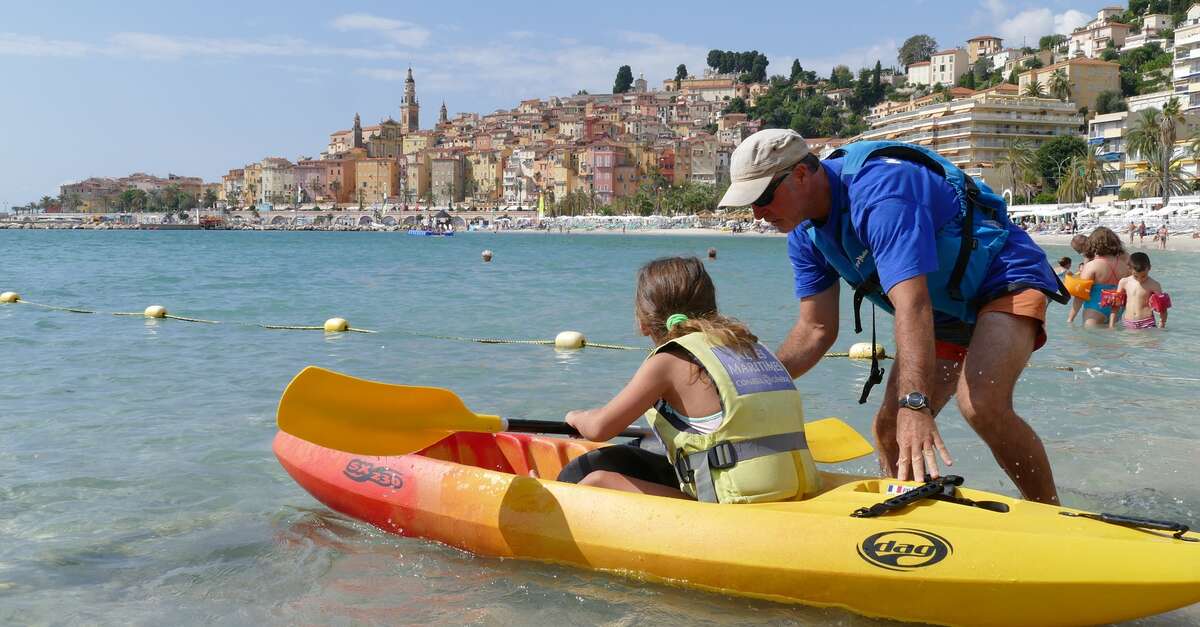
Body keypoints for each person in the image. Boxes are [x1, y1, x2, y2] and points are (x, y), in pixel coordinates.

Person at [718, 129, 1066, 504]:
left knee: (980, 404)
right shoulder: (805, 236)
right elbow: (815, 329)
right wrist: (749, 385)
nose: (756, 213)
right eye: (748, 204)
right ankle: (912, 514)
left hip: (1004, 277)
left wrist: (916, 404)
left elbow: (912, 304)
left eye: (762, 198)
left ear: (801, 174)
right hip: (944, 311)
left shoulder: (881, 193)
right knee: (888, 429)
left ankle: (1051, 514)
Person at [561, 256, 820, 503]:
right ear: (713, 309)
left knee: (592, 478)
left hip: (734, 502)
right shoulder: (750, 346)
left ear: (642, 323)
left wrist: (576, 416)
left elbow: (599, 429)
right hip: (795, 488)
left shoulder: (667, 361)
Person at [1068, 227, 1129, 328]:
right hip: (1117, 310)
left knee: (1092, 340)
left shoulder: (1092, 266)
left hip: (1095, 309)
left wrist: (1070, 319)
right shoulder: (1124, 266)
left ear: (1093, 244)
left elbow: (1080, 295)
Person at [1114, 252, 1169, 329]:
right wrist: (1111, 323)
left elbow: (1162, 307)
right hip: (1128, 322)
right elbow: (1116, 305)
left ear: (1149, 268)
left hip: (1147, 322)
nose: (1140, 279)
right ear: (1129, 268)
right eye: (1136, 276)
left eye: (1143, 276)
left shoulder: (1154, 284)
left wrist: (1162, 323)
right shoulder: (1124, 282)